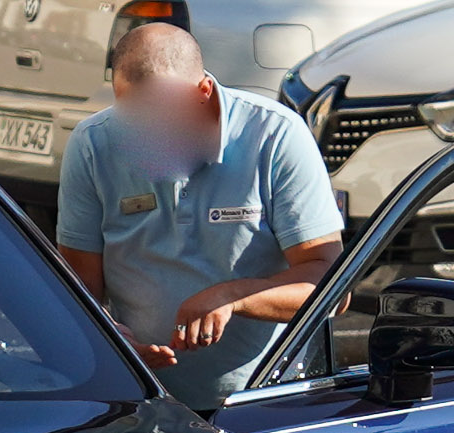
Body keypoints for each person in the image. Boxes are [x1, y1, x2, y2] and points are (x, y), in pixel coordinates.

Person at [56, 23, 343, 410]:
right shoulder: (94, 143)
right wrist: (110, 339)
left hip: (265, 406)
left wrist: (233, 296)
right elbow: (77, 292)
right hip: (142, 405)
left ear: (203, 92)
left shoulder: (275, 135)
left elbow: (330, 287)